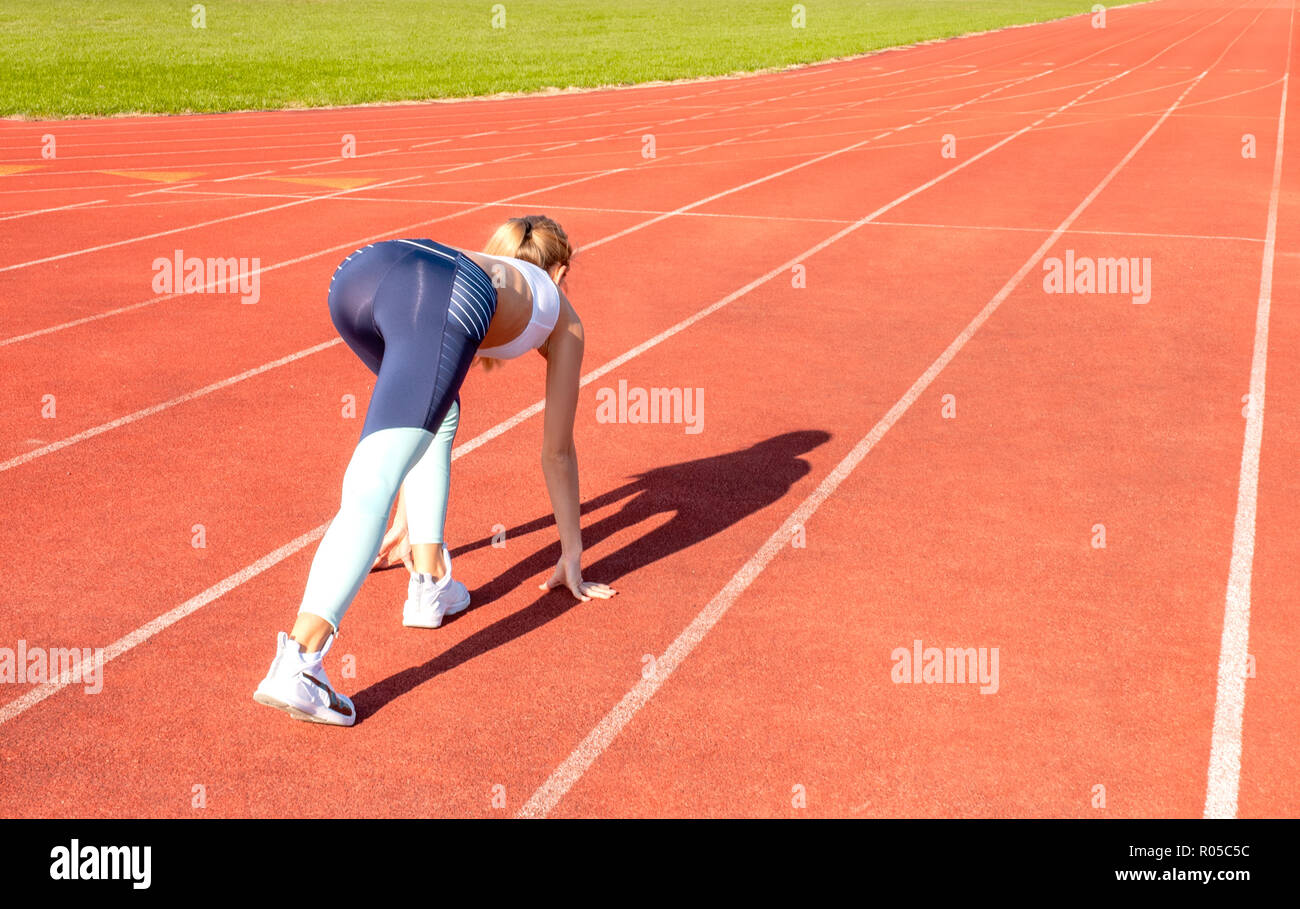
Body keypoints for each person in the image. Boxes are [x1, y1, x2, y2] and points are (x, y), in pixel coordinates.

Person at [254, 215, 616, 726]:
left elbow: (425, 380)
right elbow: (557, 451)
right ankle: (299, 663)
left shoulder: (485, 270)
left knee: (437, 413)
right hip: (437, 294)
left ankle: (429, 579)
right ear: (559, 273)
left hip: (359, 276)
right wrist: (573, 554)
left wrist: (408, 517)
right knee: (371, 484)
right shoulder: (559, 316)